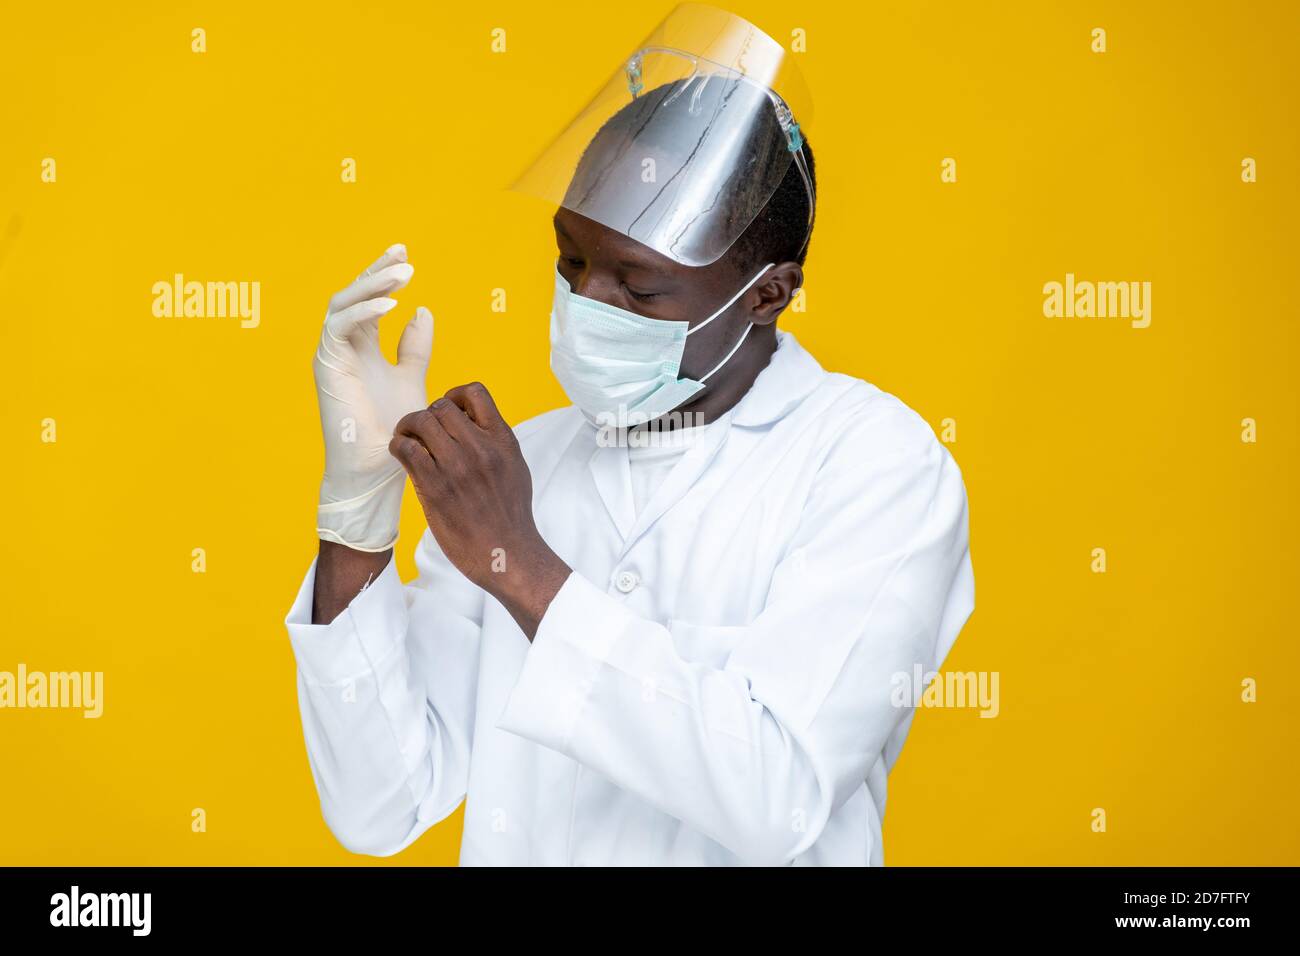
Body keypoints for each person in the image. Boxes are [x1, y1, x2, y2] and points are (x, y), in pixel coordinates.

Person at [285, 4, 974, 866]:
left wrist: (518, 560)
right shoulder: (526, 460)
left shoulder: (876, 466)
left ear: (767, 293)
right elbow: (380, 805)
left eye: (640, 289)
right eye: (571, 261)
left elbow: (778, 793)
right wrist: (358, 520)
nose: (587, 303)